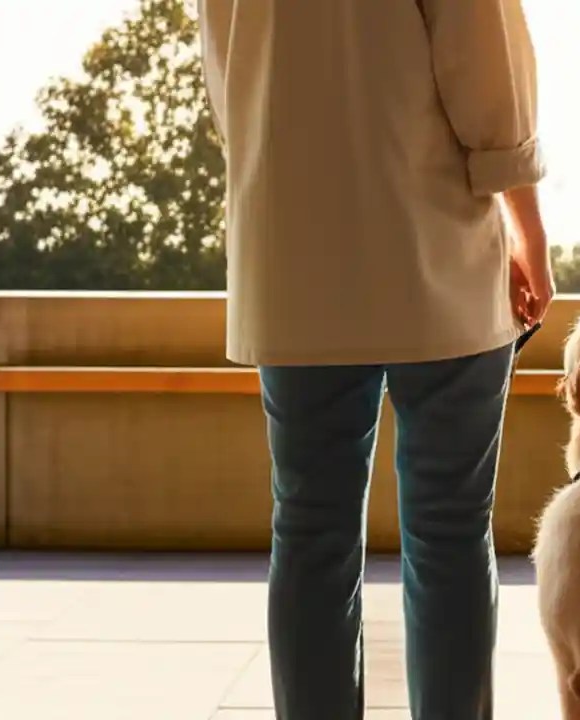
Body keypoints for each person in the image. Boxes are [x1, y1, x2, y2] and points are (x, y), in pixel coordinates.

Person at [198, 1, 553, 718]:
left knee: (308, 531)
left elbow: (226, 76)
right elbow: (488, 71)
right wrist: (530, 231)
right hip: (437, 250)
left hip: (291, 258)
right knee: (450, 532)